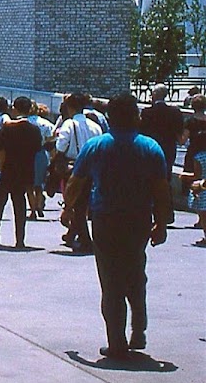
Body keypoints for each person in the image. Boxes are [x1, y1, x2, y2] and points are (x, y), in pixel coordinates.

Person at [62, 93, 170, 361]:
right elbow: (162, 190)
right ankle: (139, 325)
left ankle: (117, 343)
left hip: (106, 220)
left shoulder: (96, 147)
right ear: (137, 117)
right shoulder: (151, 147)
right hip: (139, 221)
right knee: (135, 271)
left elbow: (75, 183)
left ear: (109, 117)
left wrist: (67, 207)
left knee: (111, 281)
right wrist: (162, 223)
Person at [0, 96, 43, 248]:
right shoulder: (34, 130)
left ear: (15, 109)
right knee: (20, 204)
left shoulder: (8, 128)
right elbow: (37, 148)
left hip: (8, 169)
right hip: (26, 170)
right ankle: (20, 239)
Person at [55, 93, 104, 253]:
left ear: (70, 107)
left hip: (74, 166)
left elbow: (61, 146)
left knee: (76, 204)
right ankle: (74, 234)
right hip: (94, 167)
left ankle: (85, 239)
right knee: (83, 203)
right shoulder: (95, 126)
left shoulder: (69, 124)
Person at [140, 84, 184, 225]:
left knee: (149, 180)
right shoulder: (175, 112)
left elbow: (142, 131)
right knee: (166, 179)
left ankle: (152, 212)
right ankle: (167, 214)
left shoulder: (147, 112)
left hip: (150, 149)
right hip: (168, 149)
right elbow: (179, 132)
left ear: (154, 95)